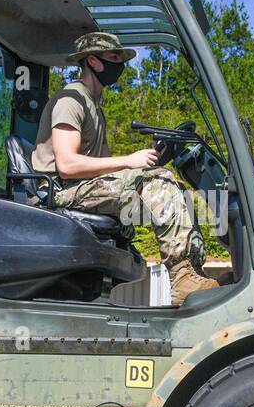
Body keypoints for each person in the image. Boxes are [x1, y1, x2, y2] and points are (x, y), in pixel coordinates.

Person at [31, 31, 218, 306]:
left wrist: (151, 157)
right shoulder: (71, 100)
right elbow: (67, 165)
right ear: (93, 61)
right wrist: (130, 160)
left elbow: (107, 170)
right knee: (160, 181)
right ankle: (180, 276)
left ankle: (192, 271)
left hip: (81, 187)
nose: (121, 63)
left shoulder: (94, 106)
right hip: (60, 191)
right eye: (114, 57)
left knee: (166, 182)